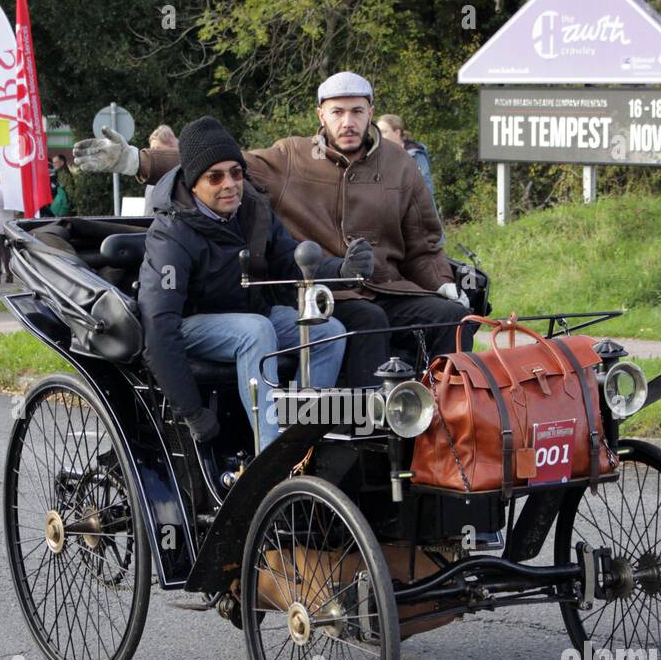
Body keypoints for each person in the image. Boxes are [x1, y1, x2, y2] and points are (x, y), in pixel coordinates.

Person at [76, 72, 470, 388]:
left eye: (356, 111)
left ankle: (445, 428)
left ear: (371, 111)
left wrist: (442, 282)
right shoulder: (291, 157)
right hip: (324, 290)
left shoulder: (399, 163)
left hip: (386, 285)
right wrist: (133, 160)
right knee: (369, 321)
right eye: (337, 112)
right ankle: (368, 437)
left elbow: (424, 241)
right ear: (321, 115)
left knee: (453, 318)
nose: (347, 122)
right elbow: (217, 161)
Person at [138, 117, 369, 449]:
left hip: (250, 314)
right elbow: (159, 325)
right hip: (189, 325)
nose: (230, 184)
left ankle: (303, 436)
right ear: (193, 184)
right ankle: (271, 455)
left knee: (328, 330)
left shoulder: (254, 209)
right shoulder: (171, 233)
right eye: (215, 177)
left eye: (236, 172)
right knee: (255, 330)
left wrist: (343, 269)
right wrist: (191, 411)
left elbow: (291, 261)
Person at [377, 114, 434, 204]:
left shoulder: (414, 155)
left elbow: (425, 190)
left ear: (397, 133)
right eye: (378, 132)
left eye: (384, 132)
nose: (380, 136)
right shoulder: (379, 157)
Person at [142, 125, 178, 216]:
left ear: (172, 147)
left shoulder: (180, 177)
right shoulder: (153, 178)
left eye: (158, 149)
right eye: (152, 150)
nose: (153, 154)